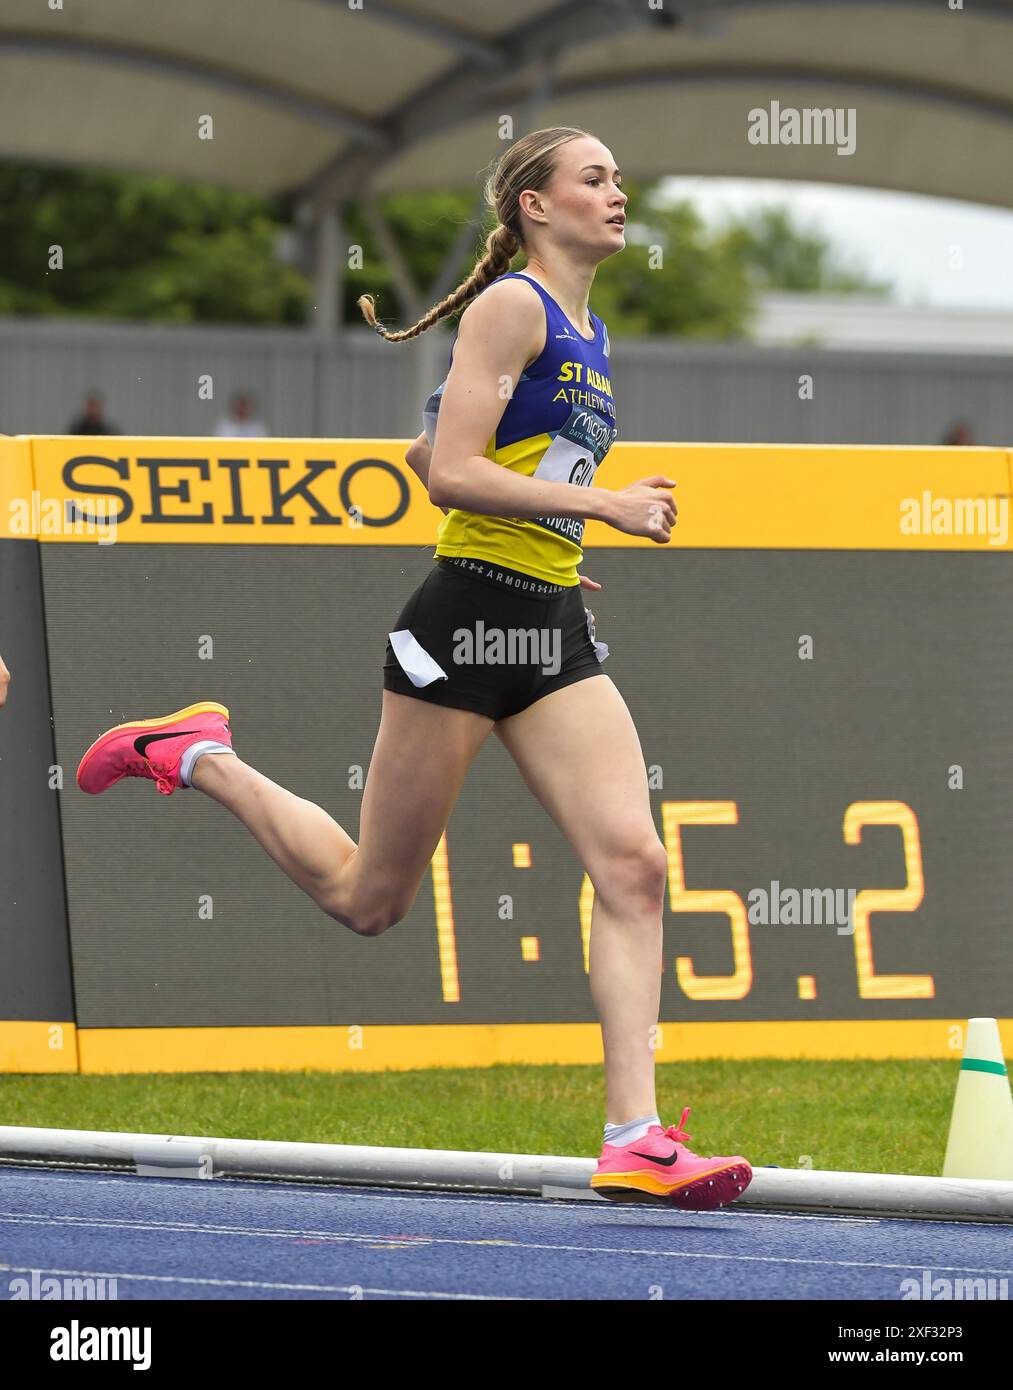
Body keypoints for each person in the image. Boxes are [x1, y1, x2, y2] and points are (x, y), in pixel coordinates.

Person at [75, 126, 751, 1210]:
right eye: (594, 177)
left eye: (618, 178)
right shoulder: (512, 306)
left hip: (545, 625)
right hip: (465, 621)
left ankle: (633, 1133)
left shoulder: (590, 327)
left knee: (633, 865)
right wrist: (602, 508)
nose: (618, 193)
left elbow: (434, 444)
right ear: (535, 205)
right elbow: (444, 474)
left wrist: (556, 553)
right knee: (370, 897)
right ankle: (198, 754)